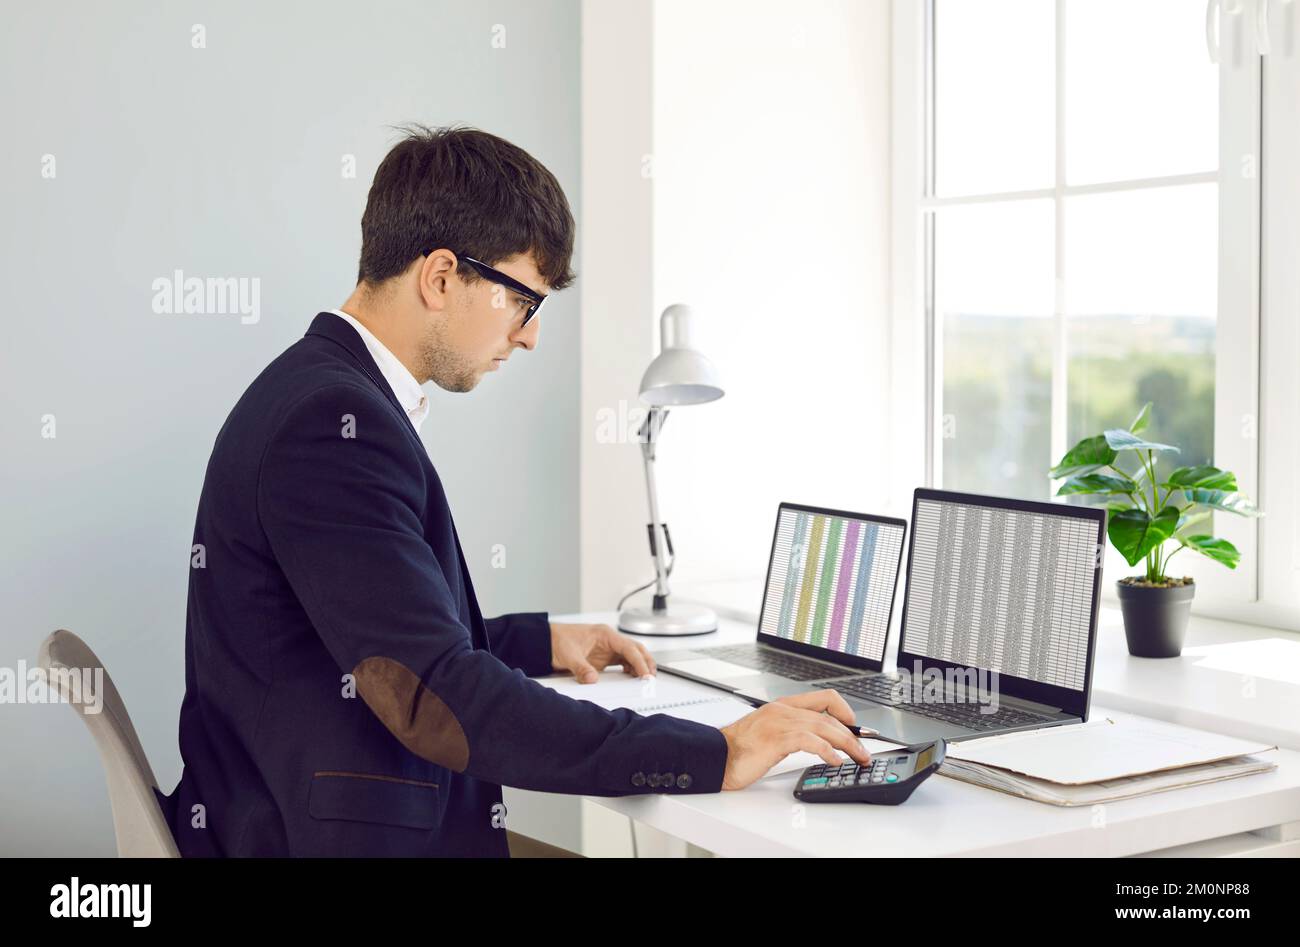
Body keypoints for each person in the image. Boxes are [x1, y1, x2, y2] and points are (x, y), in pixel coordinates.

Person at [156, 124, 870, 857]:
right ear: (440, 277)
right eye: (523, 300)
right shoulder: (332, 428)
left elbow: (378, 638)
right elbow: (436, 693)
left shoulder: (319, 392)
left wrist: (539, 640)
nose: (528, 337)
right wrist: (718, 749)